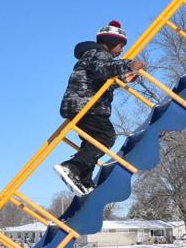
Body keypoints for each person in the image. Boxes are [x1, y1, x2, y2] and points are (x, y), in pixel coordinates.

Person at [52, 20, 148, 197]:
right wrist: (128, 65)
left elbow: (102, 81)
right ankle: (72, 167)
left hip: (79, 104)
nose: (122, 50)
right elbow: (103, 70)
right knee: (106, 137)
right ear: (111, 44)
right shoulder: (100, 53)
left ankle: (83, 180)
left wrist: (125, 79)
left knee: (92, 142)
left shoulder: (92, 55)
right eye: (120, 46)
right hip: (88, 106)